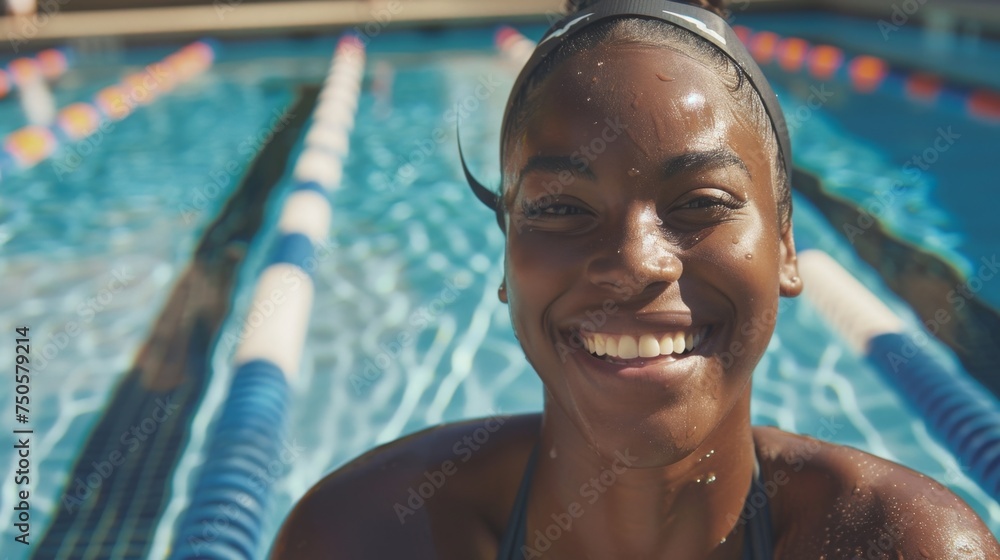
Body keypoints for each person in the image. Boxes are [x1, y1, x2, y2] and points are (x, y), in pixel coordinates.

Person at [271, 0, 1000, 557]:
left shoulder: (900, 544)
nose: (636, 260)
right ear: (505, 256)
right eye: (560, 207)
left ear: (784, 246)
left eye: (701, 204)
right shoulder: (368, 536)